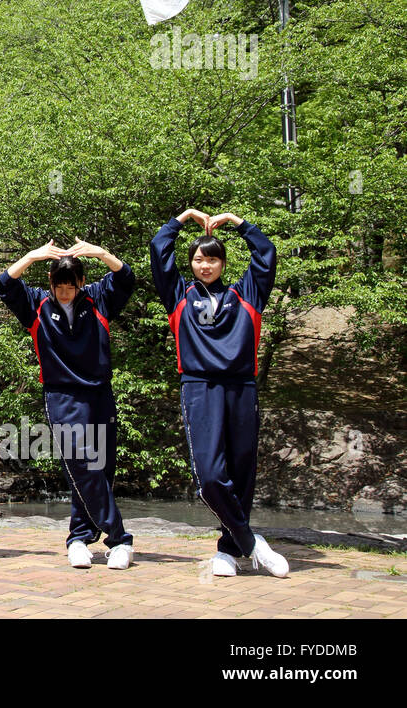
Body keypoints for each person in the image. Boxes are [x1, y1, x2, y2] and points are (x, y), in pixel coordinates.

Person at [150, 209, 288, 578]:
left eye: (212, 259)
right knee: (210, 474)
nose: (204, 265)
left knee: (242, 471)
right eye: (198, 258)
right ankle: (251, 542)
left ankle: (228, 550)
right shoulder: (179, 295)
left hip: (242, 386)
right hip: (199, 387)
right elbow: (158, 248)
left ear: (223, 263)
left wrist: (239, 222)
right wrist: (183, 218)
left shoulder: (247, 294)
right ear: (191, 263)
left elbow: (266, 254)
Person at [0, 238, 136, 570]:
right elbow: (5, 284)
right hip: (62, 396)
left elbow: (126, 279)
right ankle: (119, 539)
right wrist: (32, 255)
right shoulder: (38, 305)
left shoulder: (98, 300)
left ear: (81, 283)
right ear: (50, 284)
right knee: (80, 461)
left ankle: (79, 537)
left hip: (99, 394)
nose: (64, 292)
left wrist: (101, 253)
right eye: (58, 286)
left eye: (70, 287)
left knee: (98, 470)